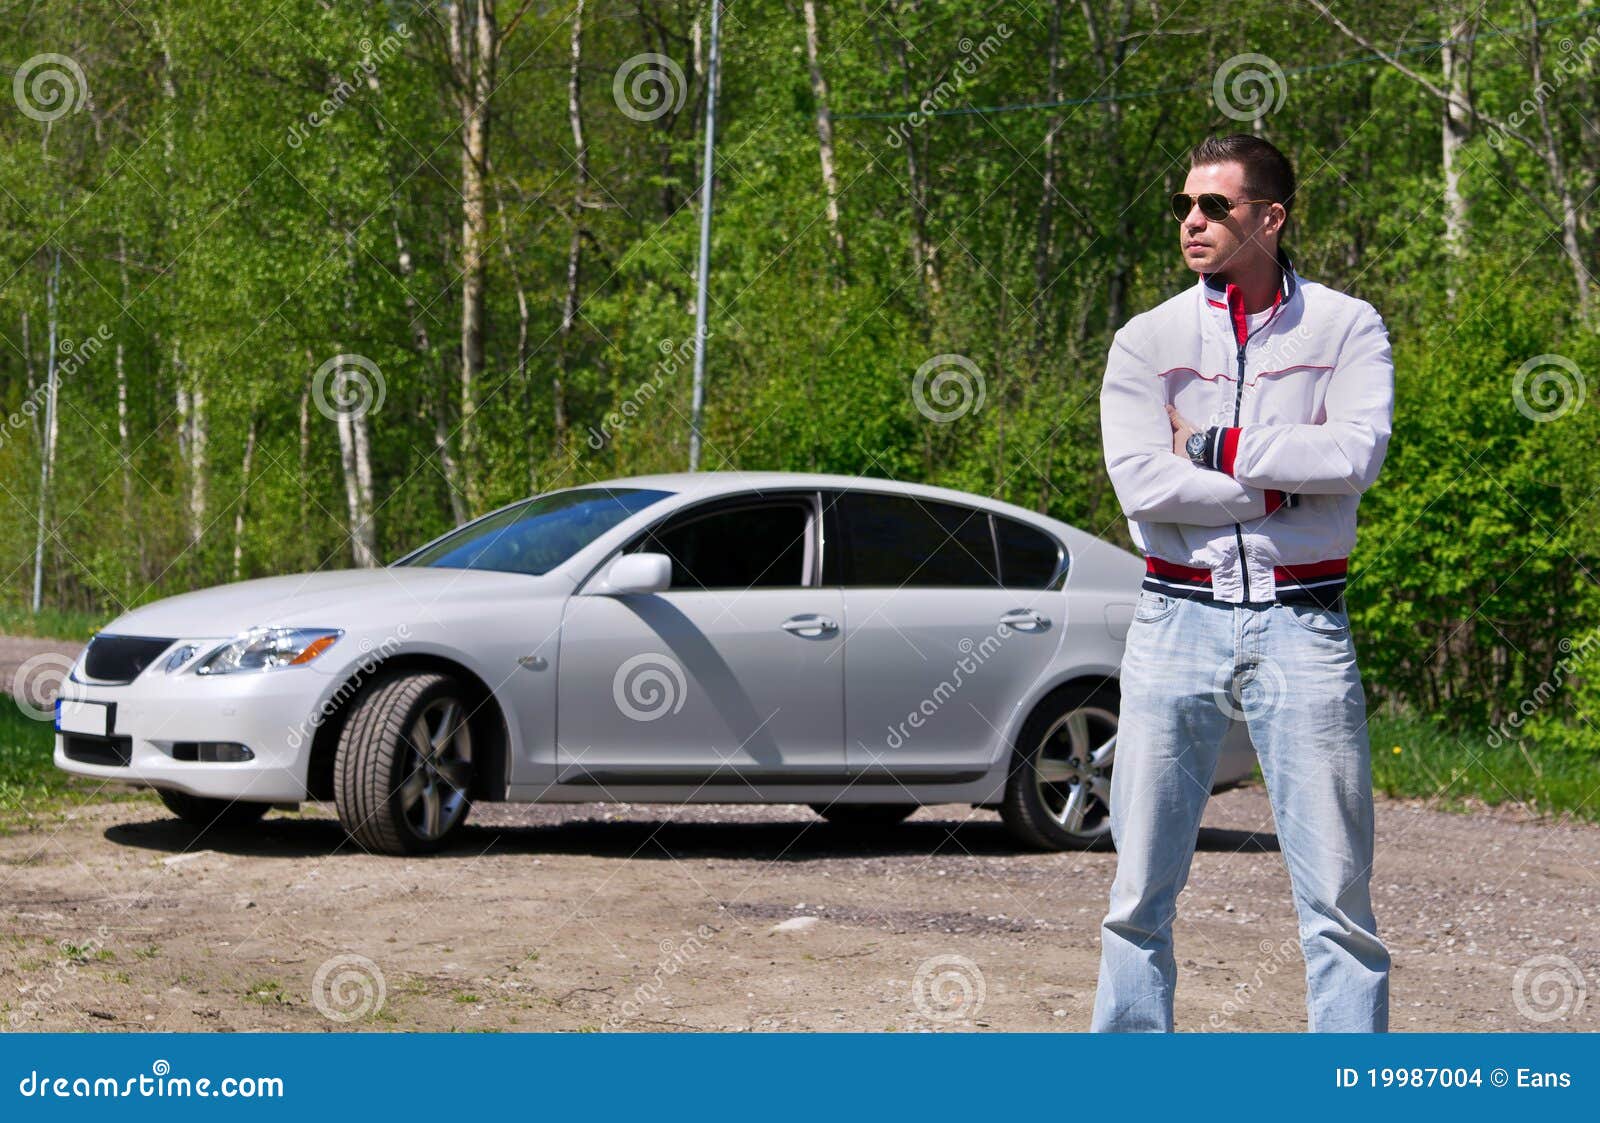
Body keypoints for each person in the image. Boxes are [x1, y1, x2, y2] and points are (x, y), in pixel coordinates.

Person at [1089, 133, 1394, 1032]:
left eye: (1214, 206)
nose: (1192, 221)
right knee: (1138, 887)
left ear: (1270, 216)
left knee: (1338, 896)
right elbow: (1140, 480)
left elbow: (1356, 453)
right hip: (1174, 615)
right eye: (1185, 205)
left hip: (1304, 621)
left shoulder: (1348, 326)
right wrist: (1282, 480)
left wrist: (1212, 446)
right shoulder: (1147, 338)